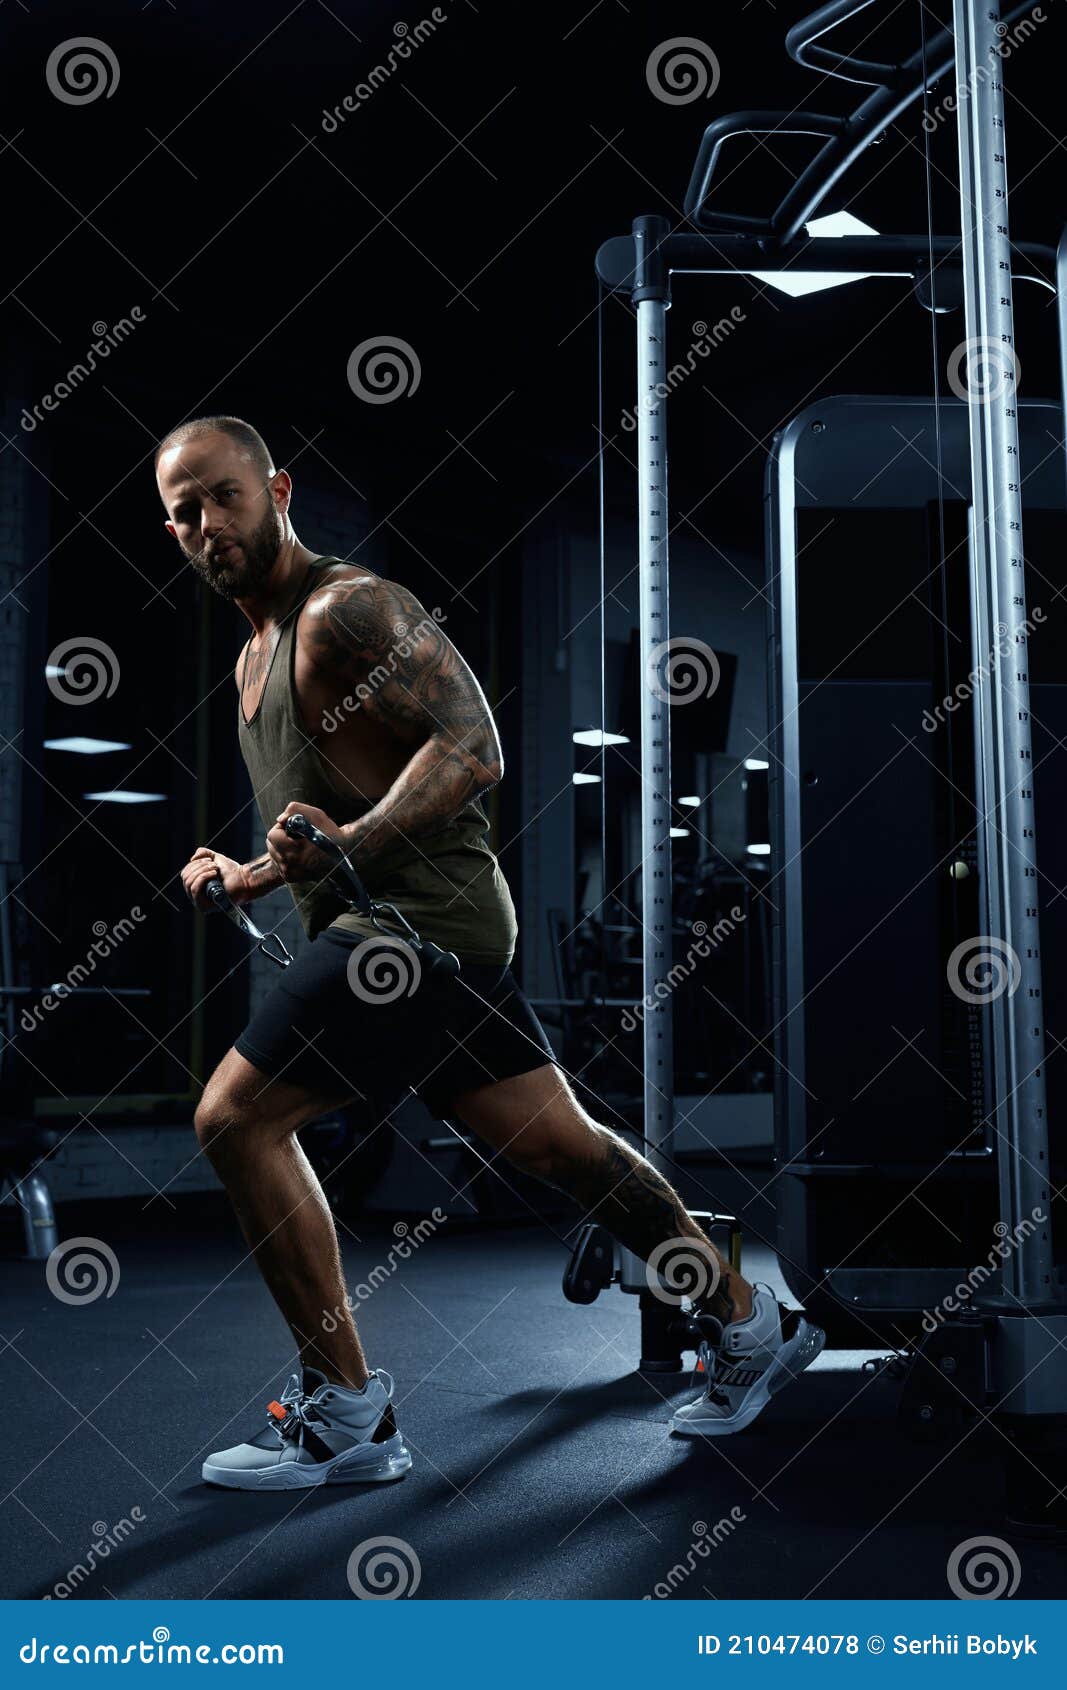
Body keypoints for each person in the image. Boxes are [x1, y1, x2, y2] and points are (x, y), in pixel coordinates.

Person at [161, 414, 823, 1491]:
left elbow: (472, 749)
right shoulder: (251, 662)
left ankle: (347, 1417)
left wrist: (351, 845)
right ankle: (748, 1323)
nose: (205, 524)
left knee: (233, 1117)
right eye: (182, 511)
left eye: (223, 496)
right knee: (561, 1147)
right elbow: (320, 826)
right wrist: (247, 874)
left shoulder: (349, 608)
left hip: (419, 927)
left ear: (277, 489)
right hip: (402, 931)